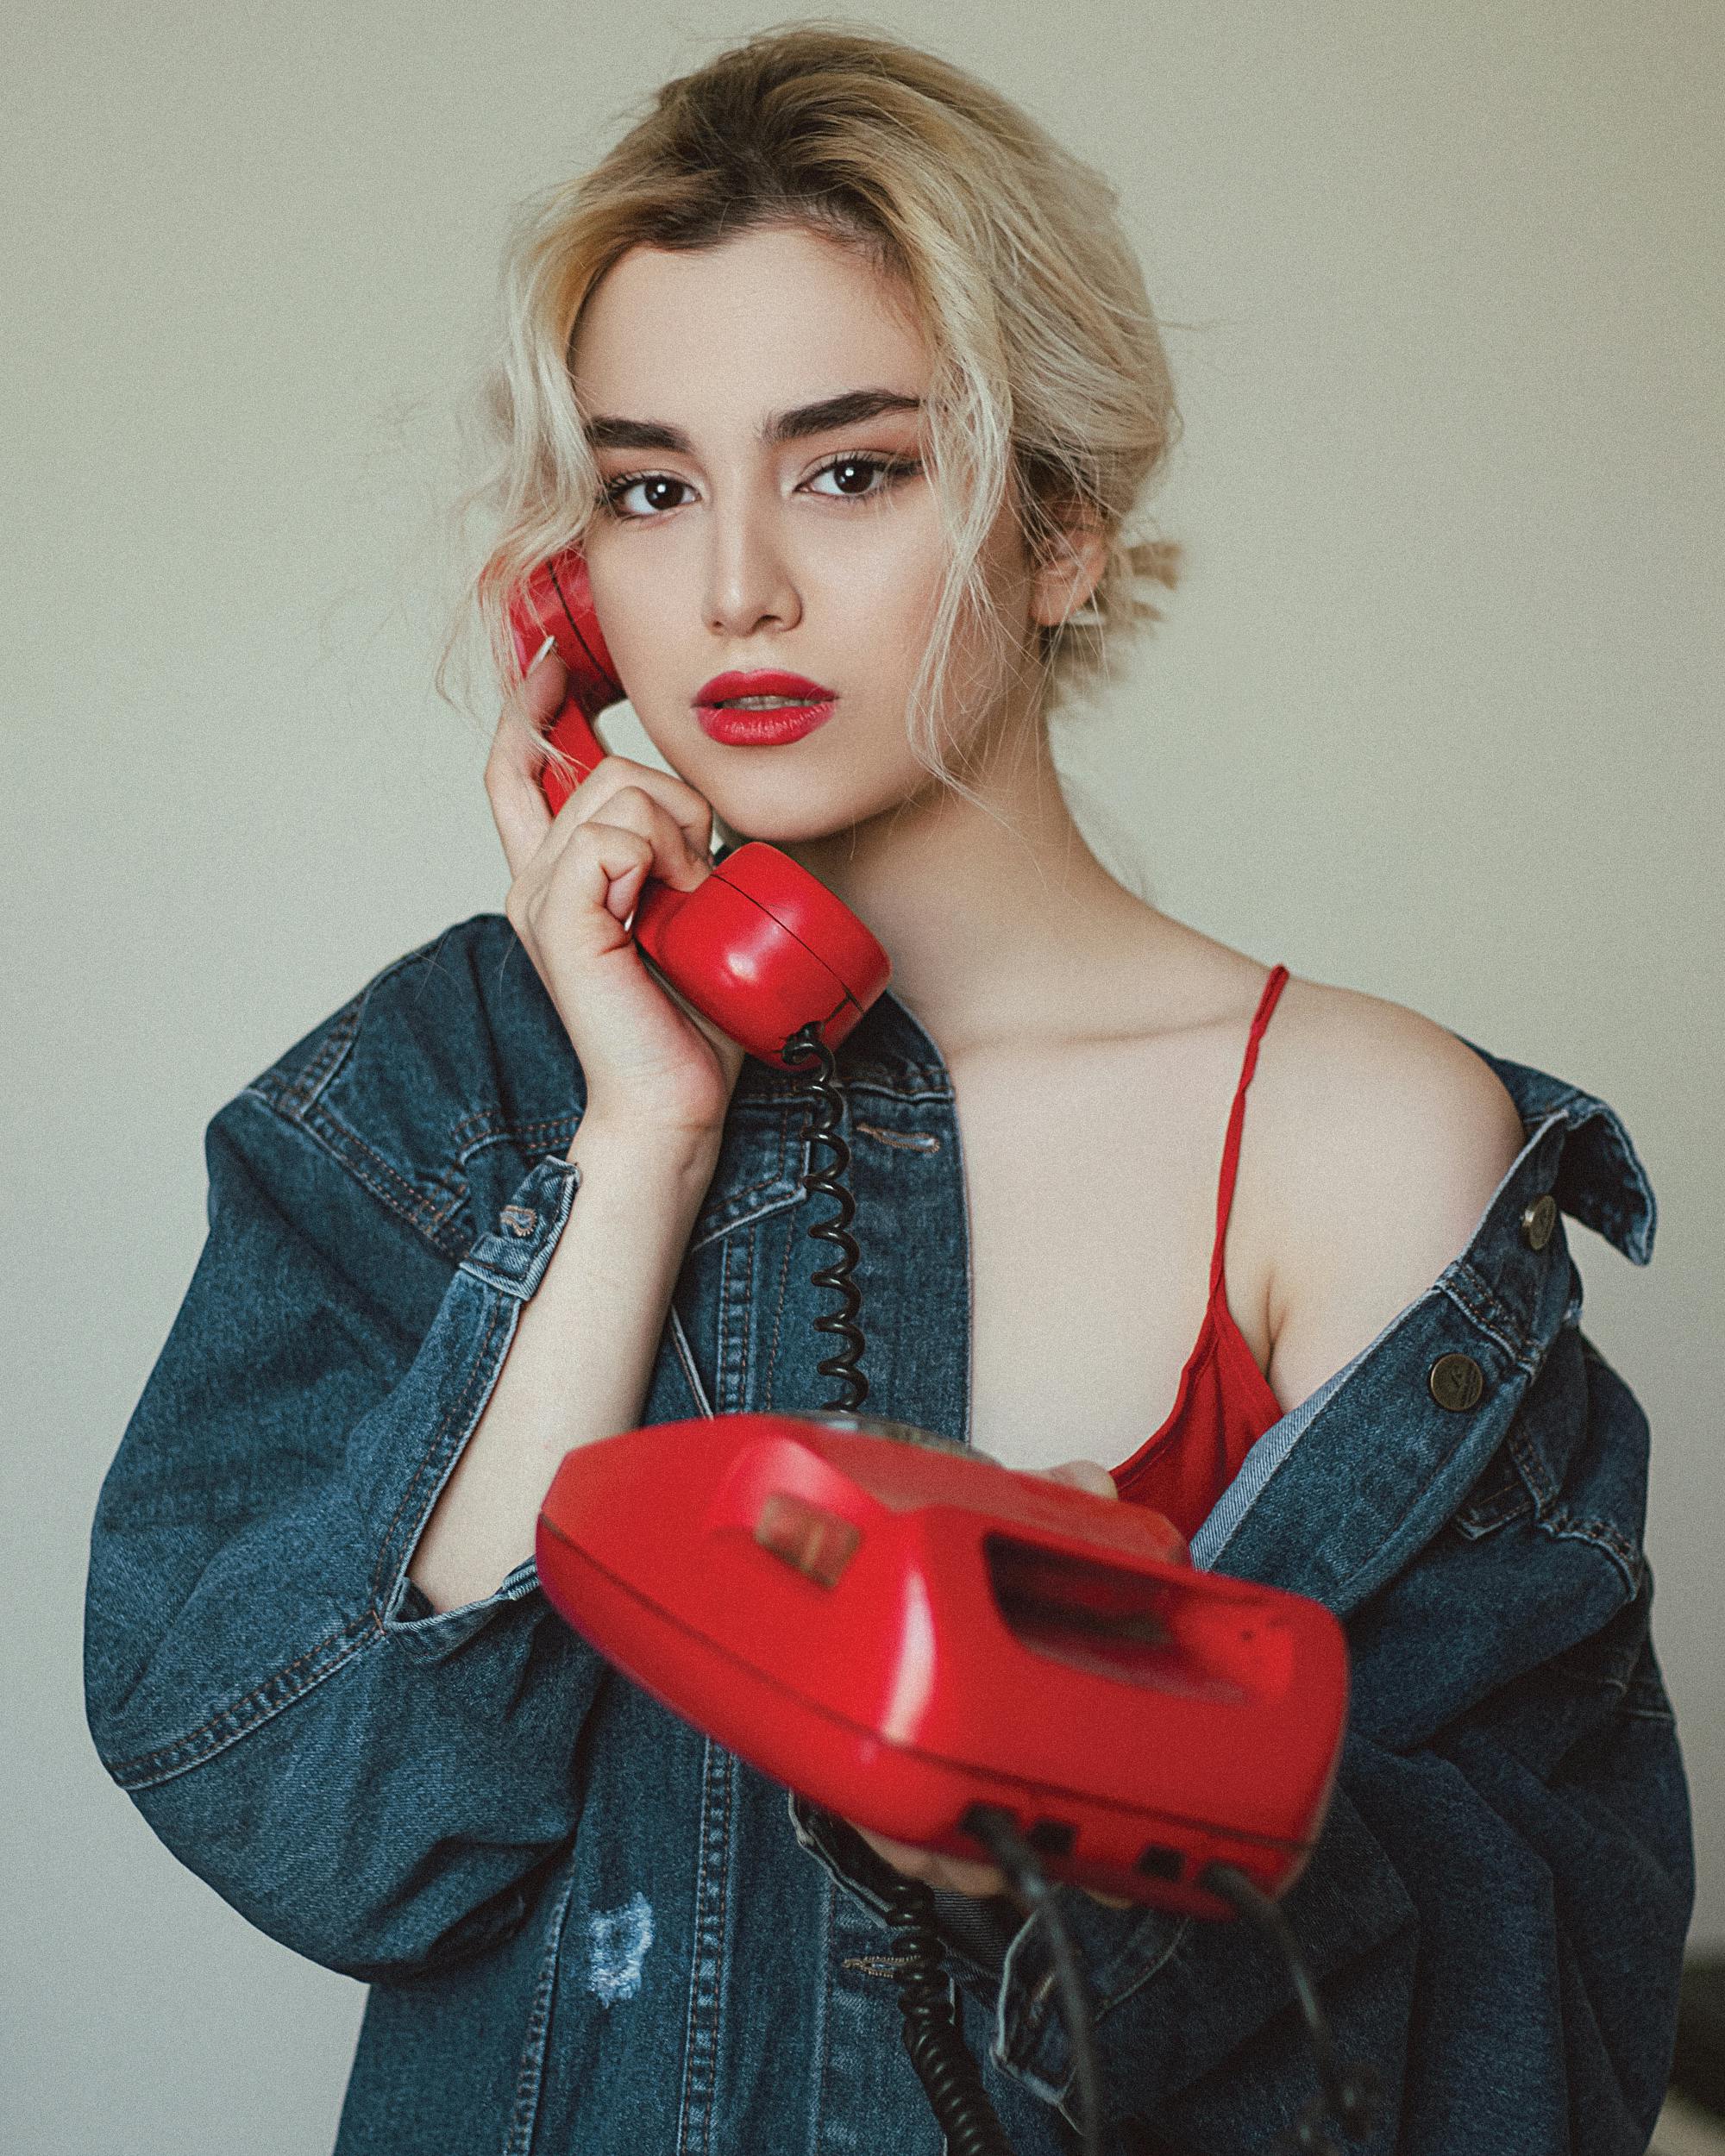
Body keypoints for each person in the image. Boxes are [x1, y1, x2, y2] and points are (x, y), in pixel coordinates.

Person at [83, 22, 1690, 2155]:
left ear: (1059, 526)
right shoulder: (452, 1087)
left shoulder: (1358, 1131)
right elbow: (321, 1827)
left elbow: (1536, 2012)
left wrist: (1080, 1849)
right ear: (568, 598)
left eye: (849, 469)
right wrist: (639, 1145)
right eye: (650, 488)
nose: (734, 585)